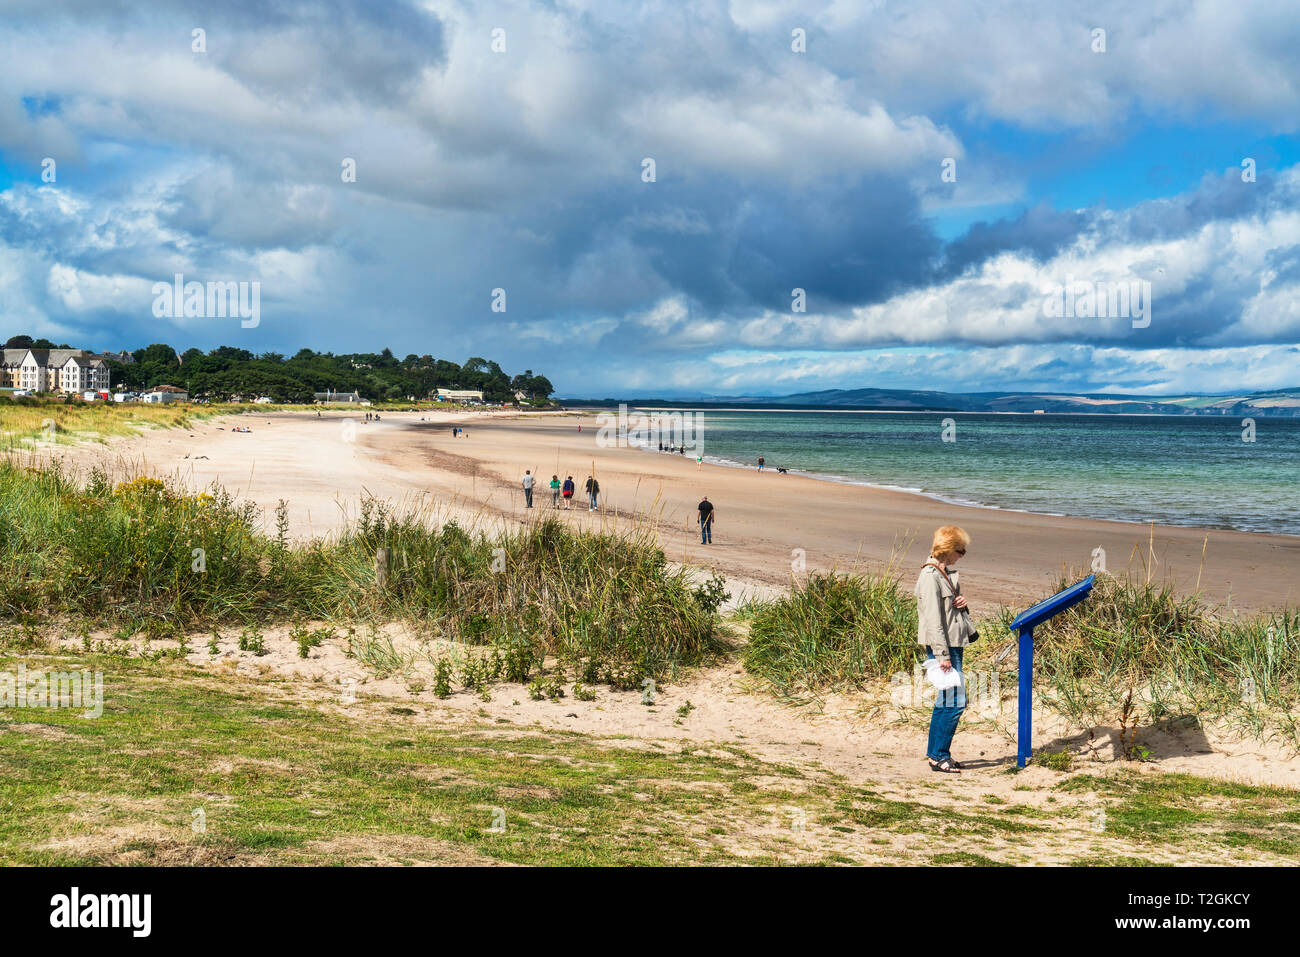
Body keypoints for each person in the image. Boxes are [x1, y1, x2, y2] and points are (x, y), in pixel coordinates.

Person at [915, 525, 976, 774]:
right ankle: (939, 755)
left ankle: (937, 755)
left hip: (953, 645)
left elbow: (947, 615)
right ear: (949, 549)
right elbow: (932, 620)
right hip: (945, 648)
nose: (962, 555)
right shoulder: (930, 576)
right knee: (954, 703)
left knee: (947, 701)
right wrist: (942, 655)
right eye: (960, 550)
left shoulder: (945, 574)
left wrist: (961, 604)